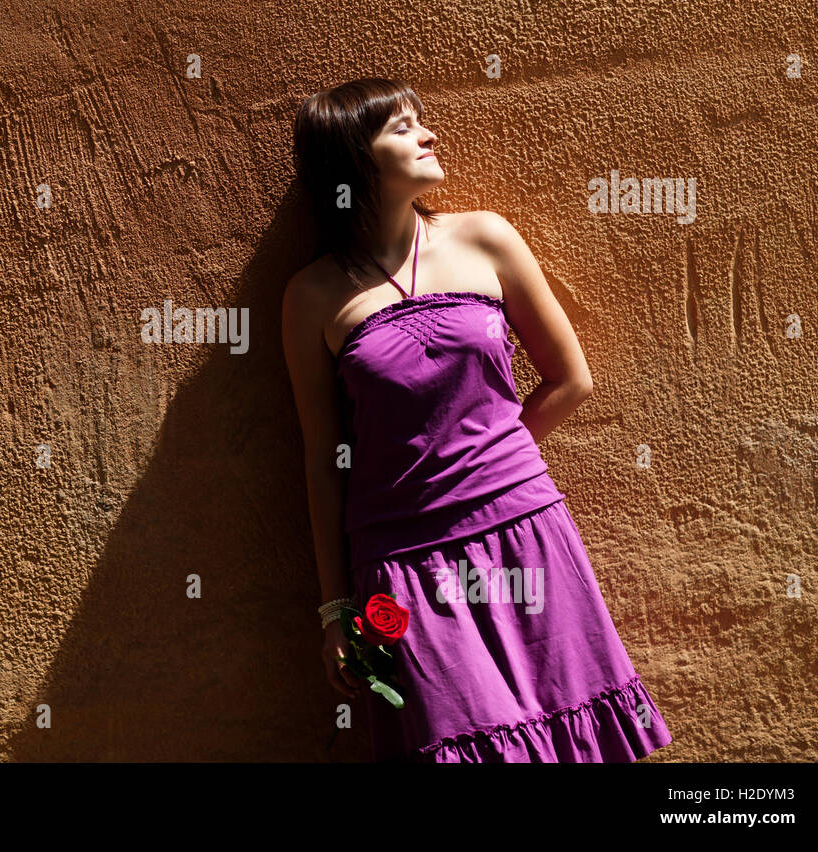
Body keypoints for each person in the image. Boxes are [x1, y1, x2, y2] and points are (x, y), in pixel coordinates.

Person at [281, 78, 673, 761]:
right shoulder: (312, 295)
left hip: (523, 526)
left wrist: (494, 459)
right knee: (455, 738)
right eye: (400, 129)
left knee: (566, 727)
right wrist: (334, 608)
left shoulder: (485, 238)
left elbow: (571, 378)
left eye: (420, 122)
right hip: (402, 559)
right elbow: (322, 459)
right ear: (352, 158)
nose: (427, 136)